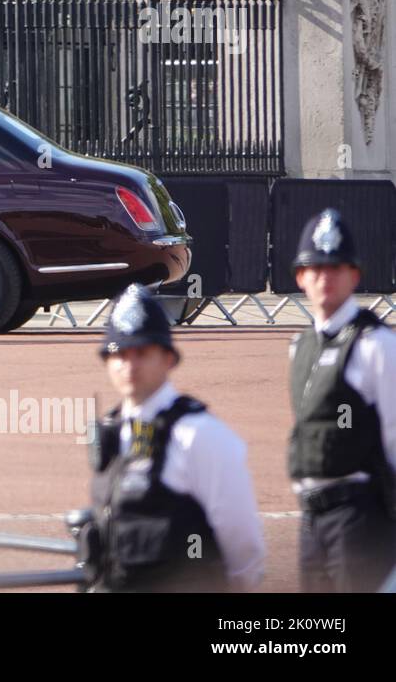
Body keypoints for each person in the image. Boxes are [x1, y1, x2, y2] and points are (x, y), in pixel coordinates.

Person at [79, 284, 265, 592]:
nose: (130, 365)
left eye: (142, 352)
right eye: (119, 353)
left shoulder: (198, 434)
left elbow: (242, 543)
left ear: (168, 358)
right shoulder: (113, 430)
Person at [288, 208, 396, 592]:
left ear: (355, 275)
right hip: (311, 519)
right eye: (315, 268)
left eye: (336, 268)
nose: (325, 277)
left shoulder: (377, 345)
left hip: (361, 517)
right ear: (300, 277)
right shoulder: (299, 347)